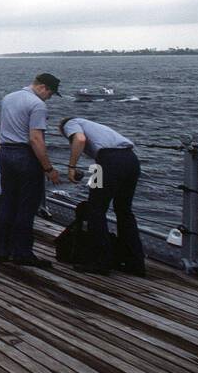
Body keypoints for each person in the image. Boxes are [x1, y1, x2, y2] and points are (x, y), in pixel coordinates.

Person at [60, 117, 146, 276]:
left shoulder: (70, 124)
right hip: (131, 160)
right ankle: (135, 263)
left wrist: (71, 167)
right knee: (124, 211)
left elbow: (79, 139)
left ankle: (100, 262)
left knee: (95, 210)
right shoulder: (96, 126)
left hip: (108, 161)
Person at [0, 73, 62, 268]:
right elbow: (35, 139)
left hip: (5, 153)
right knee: (26, 206)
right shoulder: (38, 105)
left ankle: (2, 250)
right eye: (50, 93)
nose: (49, 97)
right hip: (25, 155)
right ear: (43, 87)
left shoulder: (8, 98)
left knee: (7, 202)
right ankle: (22, 252)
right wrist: (48, 168)